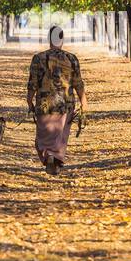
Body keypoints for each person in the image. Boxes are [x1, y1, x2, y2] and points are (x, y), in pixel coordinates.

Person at [27, 25, 86, 175]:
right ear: (62, 39)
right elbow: (78, 83)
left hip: (44, 104)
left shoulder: (38, 58)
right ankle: (56, 158)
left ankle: (48, 156)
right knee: (61, 134)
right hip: (65, 105)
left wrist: (29, 101)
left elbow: (33, 83)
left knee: (43, 136)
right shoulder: (71, 58)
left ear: (49, 39)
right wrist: (84, 102)